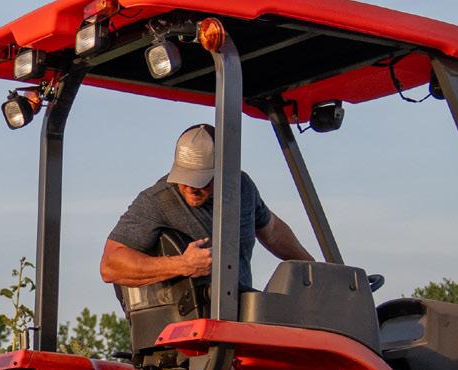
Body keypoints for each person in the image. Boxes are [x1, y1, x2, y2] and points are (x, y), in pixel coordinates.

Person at [100, 123, 314, 293]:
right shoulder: (157, 200)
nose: (191, 188)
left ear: (222, 171)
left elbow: (272, 231)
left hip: (240, 315)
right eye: (185, 179)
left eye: (202, 181)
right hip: (186, 328)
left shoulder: (241, 188)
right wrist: (182, 264)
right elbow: (110, 265)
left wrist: (314, 270)